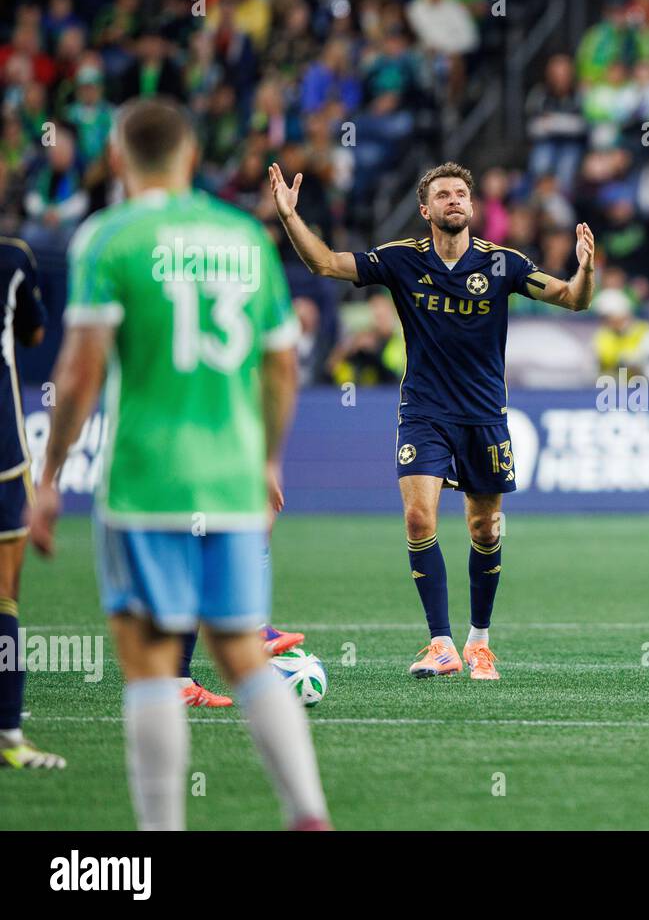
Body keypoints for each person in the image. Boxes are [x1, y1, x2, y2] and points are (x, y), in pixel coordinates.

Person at [30, 97, 330, 829]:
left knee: (151, 668)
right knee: (242, 653)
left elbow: (76, 376)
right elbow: (282, 368)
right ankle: (309, 814)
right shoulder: (243, 237)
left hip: (144, 483)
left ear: (118, 162)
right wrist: (266, 462)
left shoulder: (109, 237)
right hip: (230, 481)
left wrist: (47, 477)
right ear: (193, 158)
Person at [268, 159, 595, 681]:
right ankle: (439, 643)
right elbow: (326, 264)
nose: (454, 201)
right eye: (443, 195)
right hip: (423, 411)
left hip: (484, 414)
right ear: (426, 210)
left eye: (461, 194)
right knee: (419, 519)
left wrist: (586, 268)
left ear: (472, 206)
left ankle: (479, 643)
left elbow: (573, 300)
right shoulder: (400, 260)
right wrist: (289, 217)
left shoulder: (503, 264)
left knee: (484, 528)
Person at [0, 235, 62, 769]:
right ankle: (8, 738)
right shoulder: (13, 257)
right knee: (5, 599)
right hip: (2, 453)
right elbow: (35, 331)